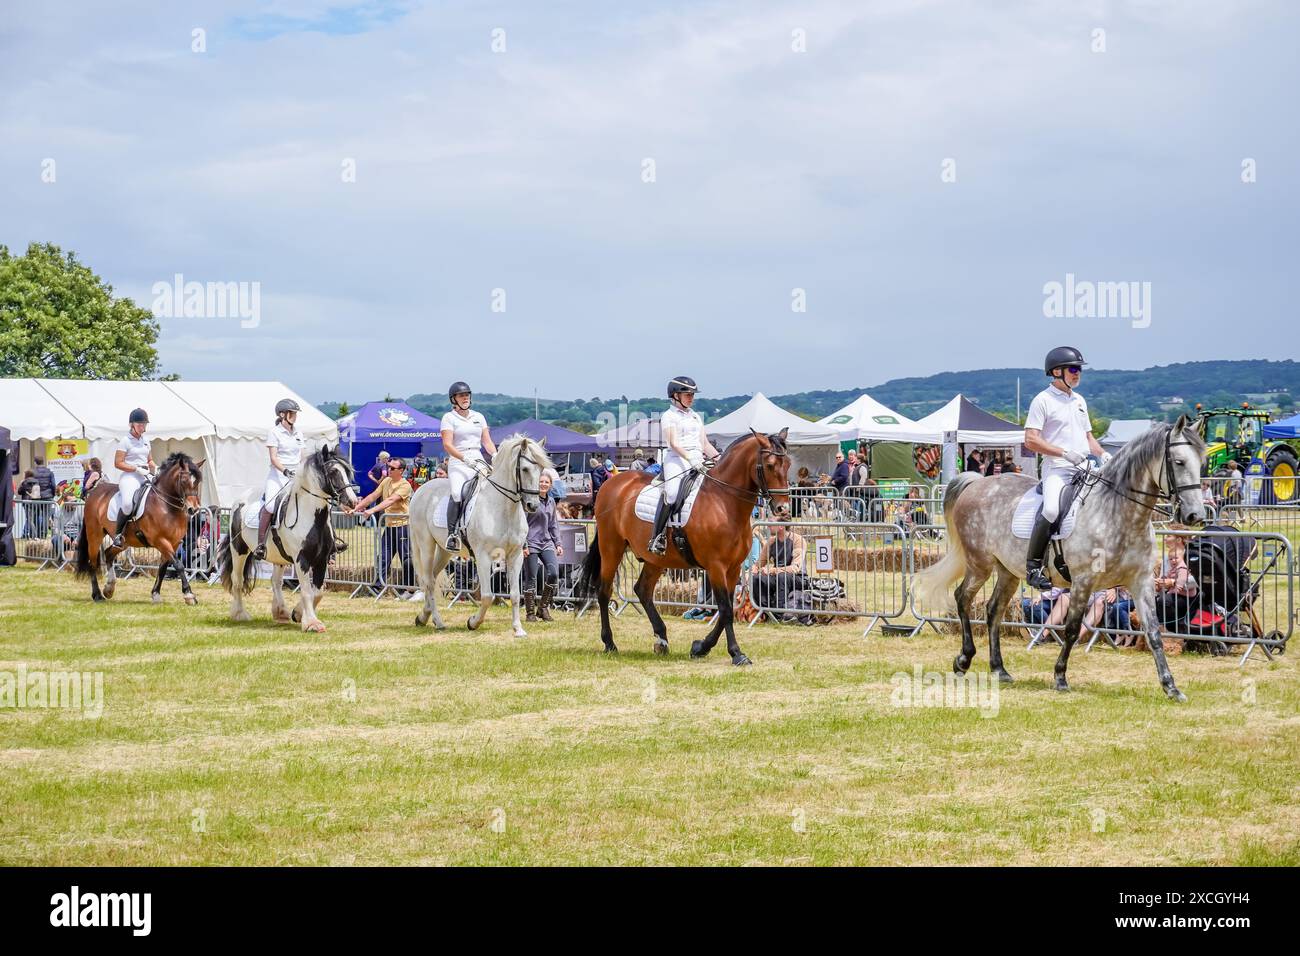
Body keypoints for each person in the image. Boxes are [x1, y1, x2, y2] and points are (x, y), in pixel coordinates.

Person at [1023, 346, 1110, 590]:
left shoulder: (1079, 401)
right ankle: (1034, 566)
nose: (1077, 373)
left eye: (1079, 369)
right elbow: (1031, 439)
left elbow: (1088, 438)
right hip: (1058, 469)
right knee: (1051, 510)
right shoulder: (1043, 400)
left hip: (1084, 467)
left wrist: (1103, 453)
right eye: (1073, 369)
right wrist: (1063, 453)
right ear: (1056, 371)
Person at [649, 376, 720, 555]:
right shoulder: (669, 416)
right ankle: (657, 537)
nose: (691, 398)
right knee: (672, 493)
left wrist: (719, 458)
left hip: (698, 458)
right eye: (687, 394)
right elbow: (673, 443)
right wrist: (691, 458)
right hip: (676, 459)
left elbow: (704, 444)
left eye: (692, 394)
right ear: (675, 395)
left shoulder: (695, 416)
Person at [440, 382, 495, 551]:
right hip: (459, 461)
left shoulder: (479, 416)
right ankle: (453, 534)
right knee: (457, 493)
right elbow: (447, 445)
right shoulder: (448, 418)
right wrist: (464, 458)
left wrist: (495, 455)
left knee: (496, 488)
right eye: (461, 396)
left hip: (478, 459)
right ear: (454, 399)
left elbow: (486, 441)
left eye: (467, 395)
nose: (465, 398)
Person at [350, 456, 415, 593]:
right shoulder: (386, 481)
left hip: (403, 526)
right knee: (384, 557)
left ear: (401, 471)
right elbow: (373, 496)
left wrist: (372, 510)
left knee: (407, 558)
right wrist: (356, 508)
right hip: (390, 526)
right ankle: (377, 586)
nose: (388, 470)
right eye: (388, 467)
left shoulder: (405, 485)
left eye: (392, 468)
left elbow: (391, 500)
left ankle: (408, 589)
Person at [252, 399, 306, 561]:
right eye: (292, 413)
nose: (295, 416)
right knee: (270, 505)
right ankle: (260, 544)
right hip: (278, 475)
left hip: (297, 475)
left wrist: (306, 469)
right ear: (283, 415)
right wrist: (285, 470)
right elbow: (274, 458)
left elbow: (303, 455)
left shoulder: (299, 433)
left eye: (295, 413)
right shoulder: (274, 432)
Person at [111, 408, 156, 548]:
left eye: (144, 424)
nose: (142, 427)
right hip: (130, 476)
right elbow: (118, 463)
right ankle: (118, 534)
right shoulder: (125, 441)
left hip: (145, 475)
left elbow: (149, 460)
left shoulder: (146, 440)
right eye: (140, 424)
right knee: (127, 503)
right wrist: (136, 468)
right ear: (132, 424)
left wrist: (155, 467)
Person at [523, 471, 564, 622]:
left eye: (546, 482)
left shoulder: (552, 502)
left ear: (550, 485)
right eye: (541, 481)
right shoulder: (530, 501)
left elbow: (553, 525)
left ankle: (543, 607)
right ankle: (530, 613)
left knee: (553, 573)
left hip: (546, 542)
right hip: (531, 543)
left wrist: (558, 543)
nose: (543, 484)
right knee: (531, 578)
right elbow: (522, 524)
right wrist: (523, 545)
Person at [750, 524, 807, 612]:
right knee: (757, 578)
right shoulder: (771, 541)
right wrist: (753, 569)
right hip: (778, 577)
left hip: (798, 578)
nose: (768, 525)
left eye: (771, 523)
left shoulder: (798, 540)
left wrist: (772, 570)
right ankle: (766, 612)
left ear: (781, 526)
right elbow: (759, 563)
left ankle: (780, 613)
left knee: (782, 576)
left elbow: (795, 568)